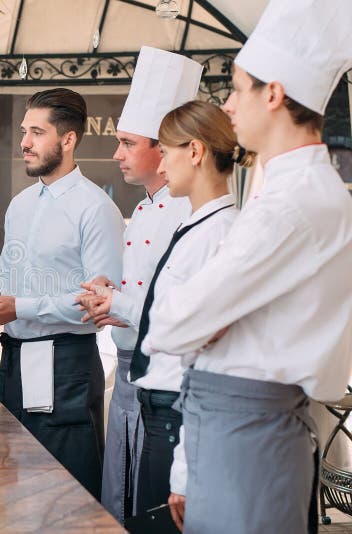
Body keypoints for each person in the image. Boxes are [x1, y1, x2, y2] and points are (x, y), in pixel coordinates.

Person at [139, 1, 352, 532]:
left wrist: (203, 321)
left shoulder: (290, 205)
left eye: (236, 88)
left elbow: (167, 324)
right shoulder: (293, 191)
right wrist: (209, 320)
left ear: (273, 94)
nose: (228, 107)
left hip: (248, 435)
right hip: (239, 430)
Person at [0, 88, 125, 497]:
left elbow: (99, 306)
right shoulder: (19, 205)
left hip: (66, 364)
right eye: (24, 131)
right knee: (15, 484)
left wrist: (18, 306)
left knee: (66, 490)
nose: (23, 142)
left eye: (37, 132)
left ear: (68, 139)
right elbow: (14, 279)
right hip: (15, 362)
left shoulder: (96, 208)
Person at [76, 47, 199, 523]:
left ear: (164, 149)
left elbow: (180, 303)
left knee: (150, 505)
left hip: (165, 380)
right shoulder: (146, 207)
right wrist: (113, 296)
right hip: (129, 370)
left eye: (128, 143)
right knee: (122, 499)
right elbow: (144, 289)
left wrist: (120, 300)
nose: (117, 154)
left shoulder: (187, 210)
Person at [126, 100, 248, 515]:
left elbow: (210, 354)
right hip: (162, 406)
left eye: (165, 151)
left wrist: (184, 468)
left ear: (194, 152)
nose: (160, 167)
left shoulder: (221, 233)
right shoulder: (196, 225)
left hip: (179, 412)